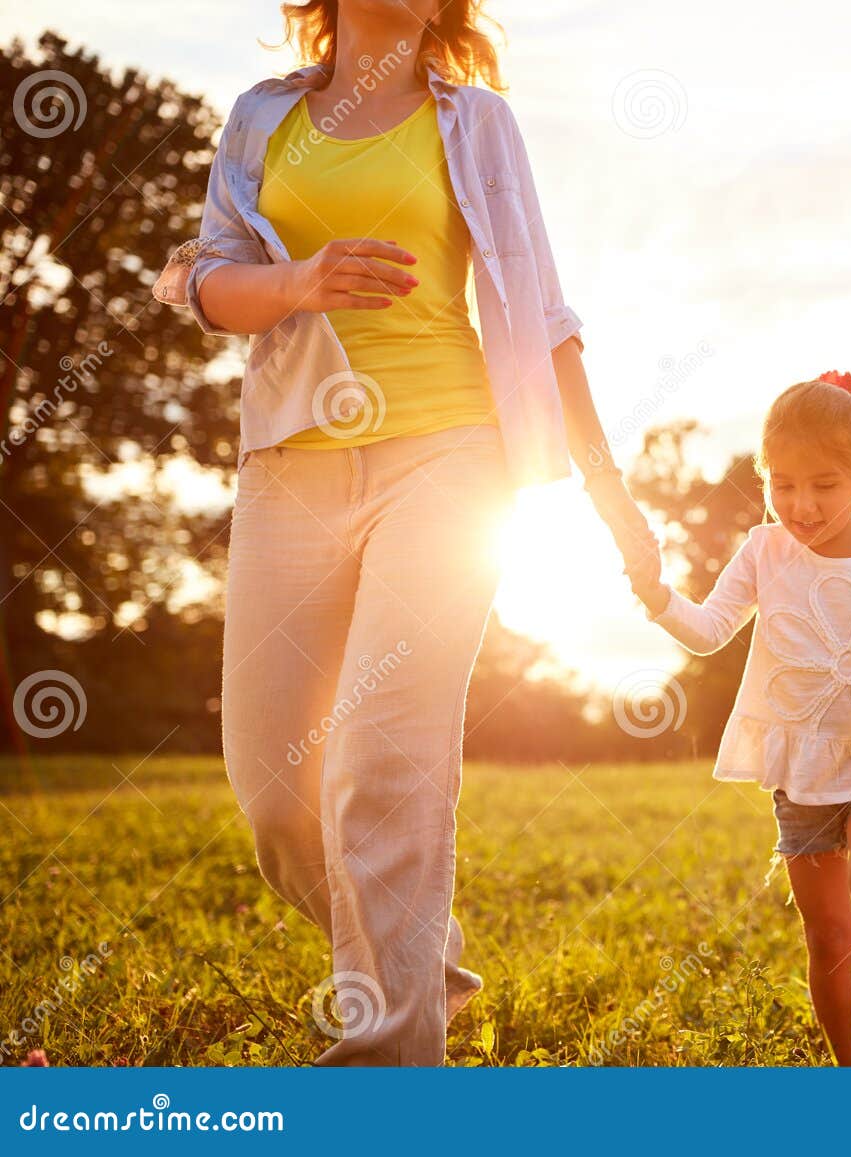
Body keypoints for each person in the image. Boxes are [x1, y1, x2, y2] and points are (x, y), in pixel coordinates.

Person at [154, 0, 655, 1064]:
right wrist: (298, 281)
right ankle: (423, 953)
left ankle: (387, 1070)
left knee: (380, 766)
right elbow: (203, 280)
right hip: (289, 462)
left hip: (449, 458)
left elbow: (545, 311)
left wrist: (610, 494)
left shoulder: (475, 123)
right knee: (276, 794)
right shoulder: (260, 119)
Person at [627, 372, 851, 1065]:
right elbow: (708, 630)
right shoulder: (763, 550)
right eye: (782, 484)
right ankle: (849, 1068)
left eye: (823, 484)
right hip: (799, 767)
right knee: (825, 933)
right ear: (763, 475)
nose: (802, 504)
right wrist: (655, 593)